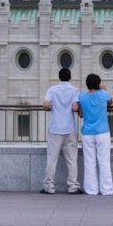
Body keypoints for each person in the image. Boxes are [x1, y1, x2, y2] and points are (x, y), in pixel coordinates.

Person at [40, 67, 82, 195]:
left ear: (59, 77)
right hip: (69, 128)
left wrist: (51, 108)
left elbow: (46, 104)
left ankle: (49, 186)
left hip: (55, 128)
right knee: (72, 159)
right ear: (70, 77)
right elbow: (75, 107)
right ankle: (73, 186)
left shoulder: (52, 90)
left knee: (52, 159)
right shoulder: (74, 90)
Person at [76, 73, 113, 195]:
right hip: (102, 131)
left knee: (89, 162)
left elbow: (81, 114)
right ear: (98, 84)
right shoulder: (103, 94)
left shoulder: (82, 97)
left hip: (87, 133)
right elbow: (110, 102)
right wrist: (103, 88)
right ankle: (106, 189)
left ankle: (91, 189)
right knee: (104, 161)